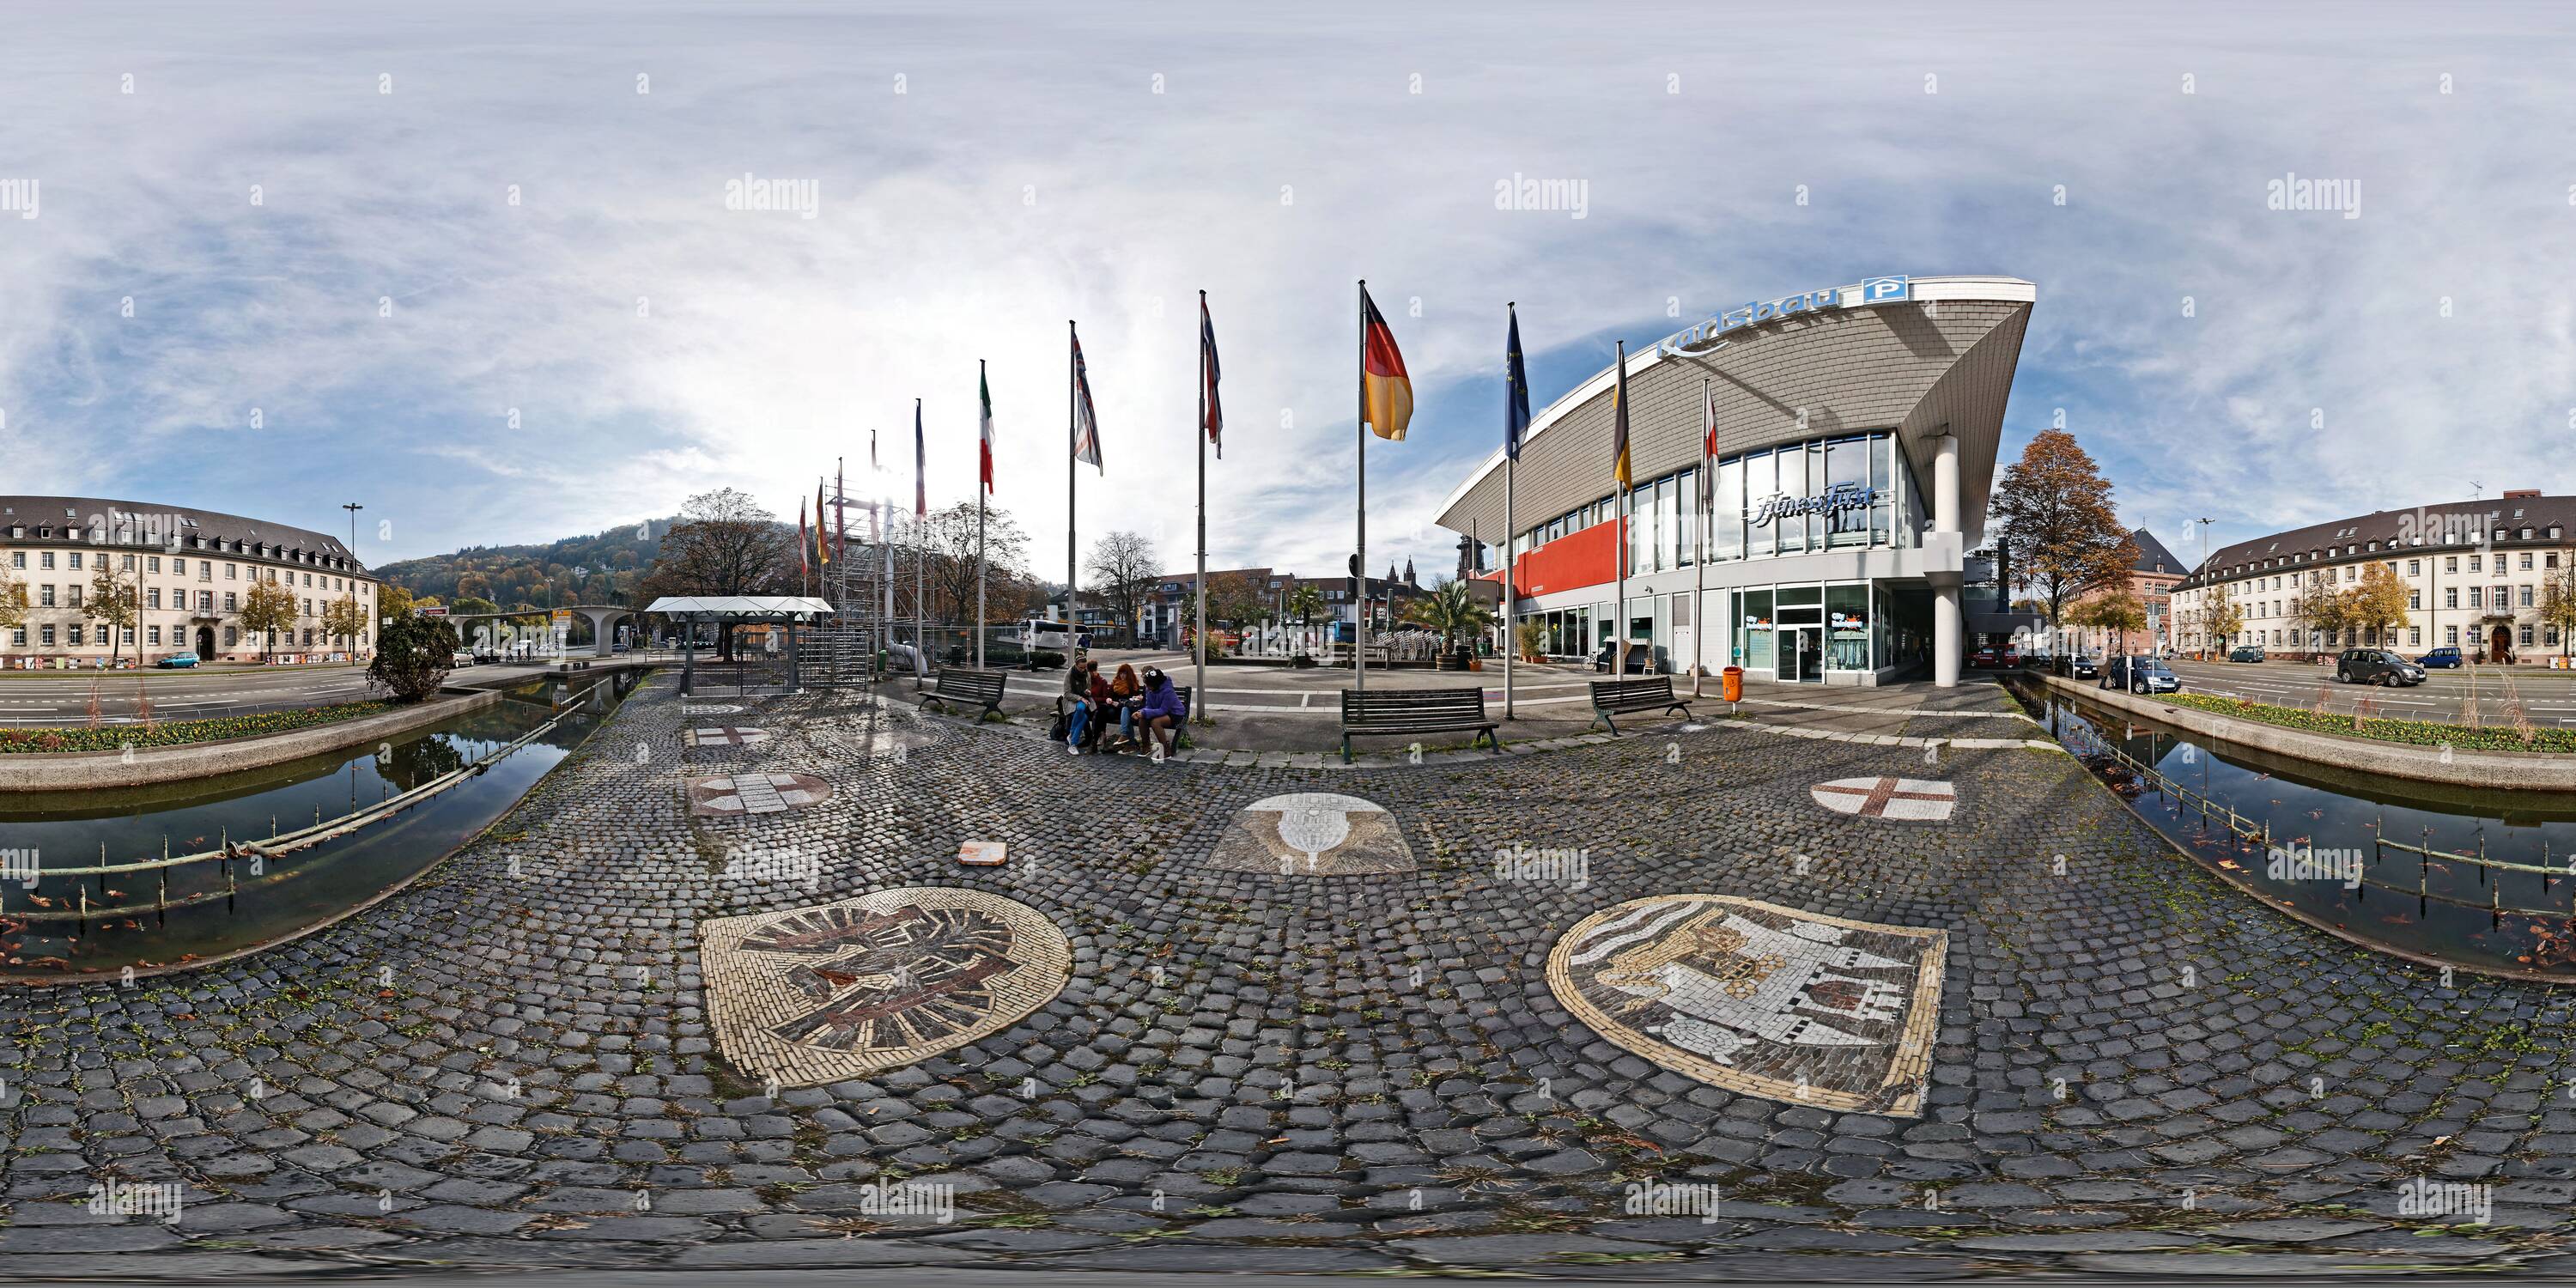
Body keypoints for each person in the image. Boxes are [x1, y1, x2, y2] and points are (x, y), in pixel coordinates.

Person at [1137, 665, 1187, 759]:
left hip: (1176, 714)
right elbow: (1149, 707)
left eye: (1148, 685)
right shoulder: (1149, 689)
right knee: (1142, 719)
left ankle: (1166, 750)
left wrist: (1146, 712)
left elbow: (1163, 710)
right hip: (1161, 713)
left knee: (1155, 722)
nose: (1146, 687)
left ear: (1156, 684)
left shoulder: (1168, 691)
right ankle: (1146, 746)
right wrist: (1142, 712)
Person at [1059, 659, 1097, 753]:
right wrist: (1080, 698)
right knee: (1084, 717)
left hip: (1083, 698)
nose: (1083, 670)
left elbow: (1089, 688)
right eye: (1081, 668)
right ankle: (1073, 744)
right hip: (1071, 700)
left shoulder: (1087, 674)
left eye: (1085, 668)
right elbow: (1067, 694)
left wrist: (1088, 691)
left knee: (1080, 709)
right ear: (1076, 665)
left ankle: (1071, 735)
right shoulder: (1069, 675)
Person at [1107, 663, 1142, 745]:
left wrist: (1119, 704)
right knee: (1103, 710)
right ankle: (1129, 742)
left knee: (1125, 711)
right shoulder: (1116, 682)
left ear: (1128, 674)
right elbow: (1110, 695)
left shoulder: (1133, 685)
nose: (1122, 675)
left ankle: (1127, 739)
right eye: (1121, 673)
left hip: (1127, 708)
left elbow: (1132, 701)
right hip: (1114, 708)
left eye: (1125, 673)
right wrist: (1109, 700)